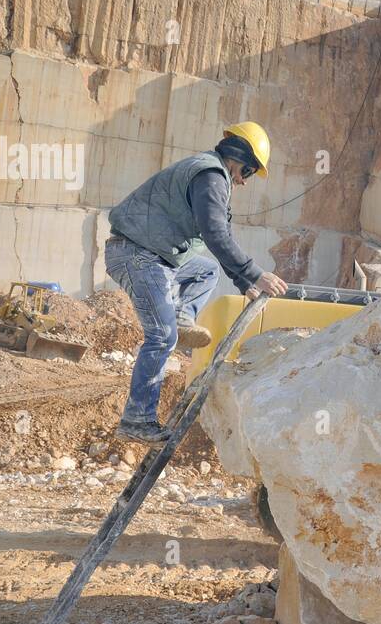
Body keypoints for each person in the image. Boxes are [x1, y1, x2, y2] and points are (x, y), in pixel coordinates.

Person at [104, 122, 288, 443]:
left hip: (156, 254)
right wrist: (256, 273)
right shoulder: (211, 178)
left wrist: (243, 282)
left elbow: (218, 236)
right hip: (139, 254)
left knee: (205, 271)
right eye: (248, 171)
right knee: (162, 337)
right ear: (239, 157)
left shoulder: (210, 174)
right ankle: (136, 419)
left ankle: (182, 316)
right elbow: (216, 234)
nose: (244, 181)